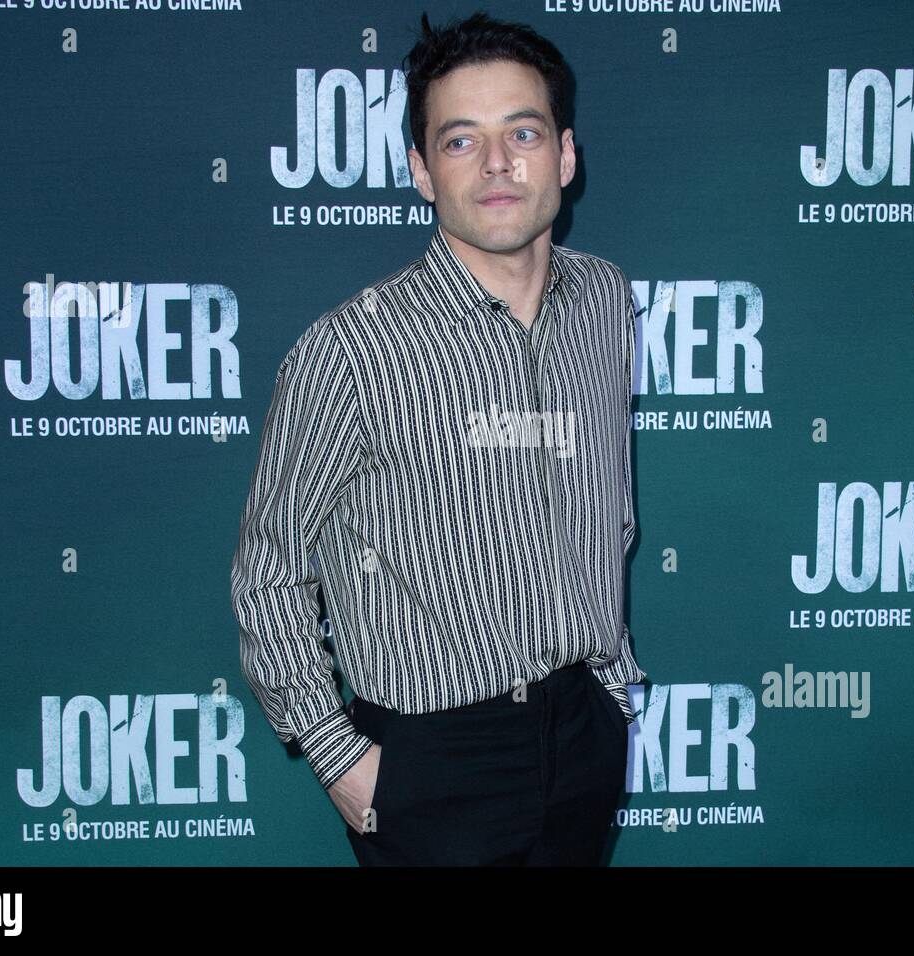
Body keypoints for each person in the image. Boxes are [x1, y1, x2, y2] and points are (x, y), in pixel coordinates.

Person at [230, 10, 645, 866]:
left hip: (583, 732)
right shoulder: (350, 348)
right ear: (422, 171)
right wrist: (345, 761)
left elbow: (611, 509)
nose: (498, 163)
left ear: (565, 155)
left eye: (522, 131)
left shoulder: (606, 300)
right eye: (461, 141)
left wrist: (610, 688)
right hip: (432, 762)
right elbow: (269, 572)